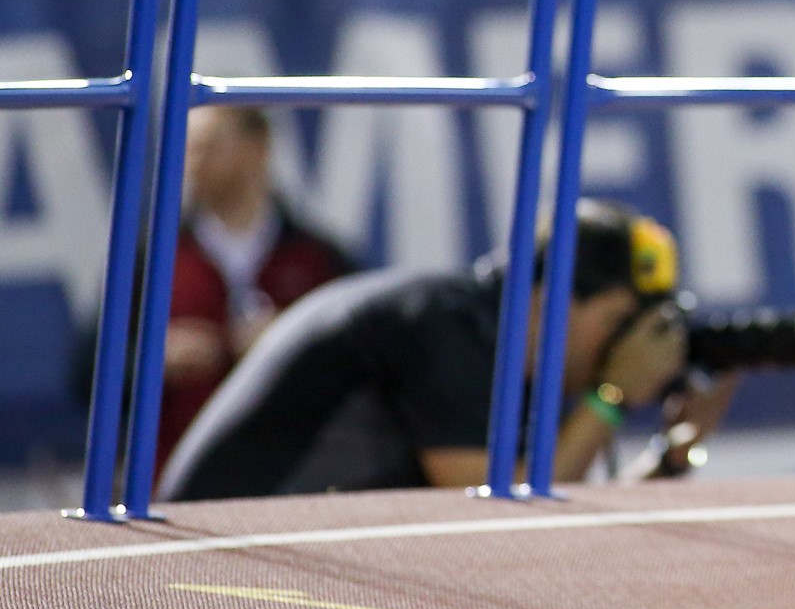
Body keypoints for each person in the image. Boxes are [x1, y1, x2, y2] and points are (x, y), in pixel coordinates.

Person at [159, 200, 697, 501]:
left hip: (256, 550)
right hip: (201, 559)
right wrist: (612, 397)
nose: (629, 344)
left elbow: (552, 497)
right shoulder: (448, 328)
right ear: (549, 300)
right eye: (620, 322)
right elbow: (499, 512)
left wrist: (669, 459)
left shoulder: (494, 340)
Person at [157, 106, 353, 468]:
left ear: (257, 147)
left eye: (209, 145)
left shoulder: (318, 258)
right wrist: (154, 356)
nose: (192, 161)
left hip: (293, 476)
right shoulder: (154, 257)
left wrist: (295, 342)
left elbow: (365, 363)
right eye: (187, 147)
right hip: (179, 481)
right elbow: (89, 372)